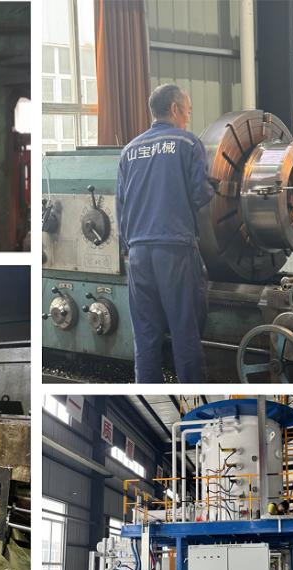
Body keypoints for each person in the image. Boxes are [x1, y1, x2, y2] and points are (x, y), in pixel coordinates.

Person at [116, 84, 215, 383]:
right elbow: (200, 194)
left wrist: (129, 246)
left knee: (145, 337)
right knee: (185, 333)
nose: (188, 117)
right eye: (187, 110)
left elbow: (120, 205)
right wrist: (216, 188)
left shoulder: (129, 150)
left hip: (137, 253)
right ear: (174, 109)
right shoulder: (187, 143)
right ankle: (194, 399)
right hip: (174, 249)